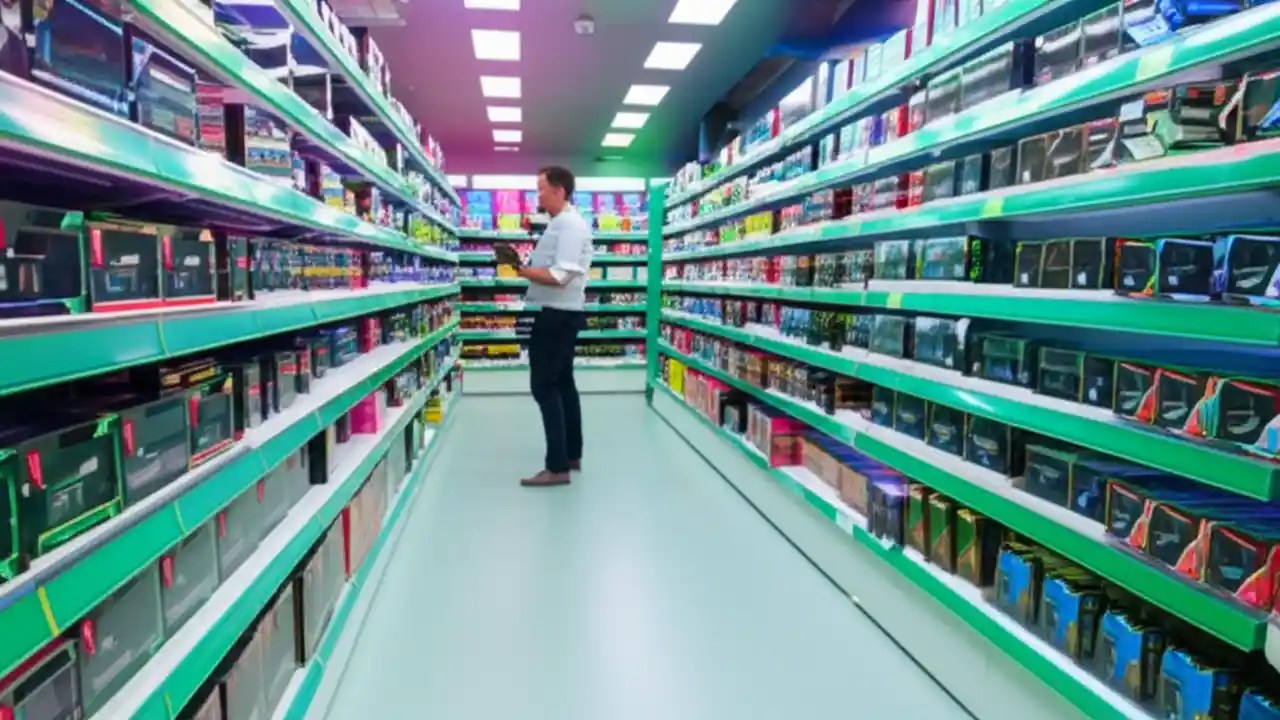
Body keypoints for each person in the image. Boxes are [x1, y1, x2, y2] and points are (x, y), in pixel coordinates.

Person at [507, 166, 593, 487]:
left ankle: (557, 467)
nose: (537, 194)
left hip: (557, 315)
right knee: (564, 385)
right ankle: (571, 454)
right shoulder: (563, 221)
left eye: (541, 188)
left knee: (544, 386)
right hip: (562, 314)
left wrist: (522, 271)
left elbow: (561, 275)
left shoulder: (569, 224)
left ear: (560, 190)